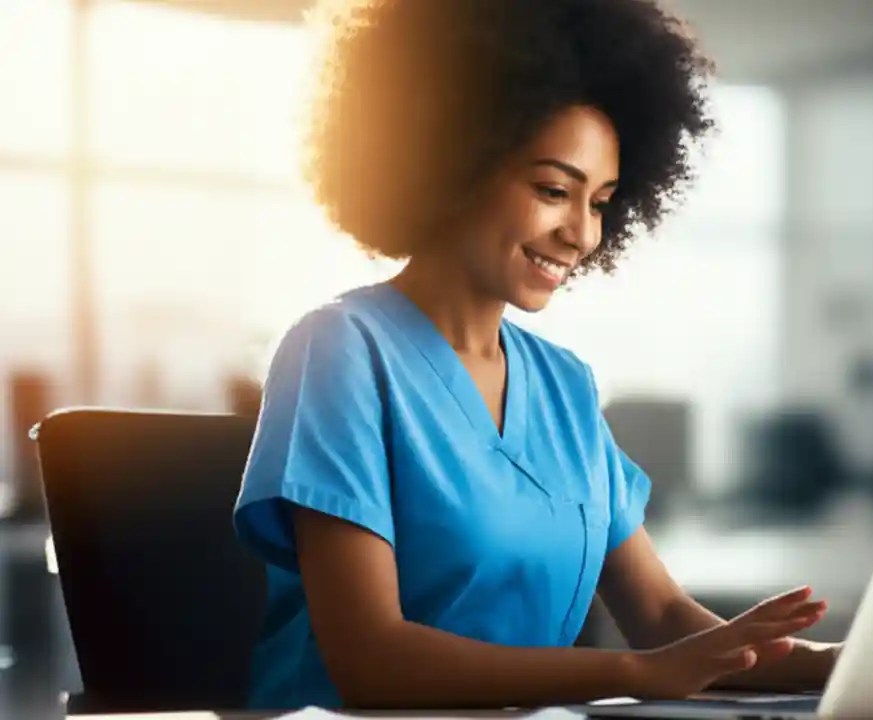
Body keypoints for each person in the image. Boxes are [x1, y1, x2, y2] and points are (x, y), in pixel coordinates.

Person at [233, 0, 837, 710]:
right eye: (554, 191)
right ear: (450, 163)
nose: (582, 234)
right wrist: (632, 675)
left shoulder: (564, 386)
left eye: (601, 202)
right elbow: (372, 659)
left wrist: (835, 663)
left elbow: (662, 617)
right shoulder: (341, 352)